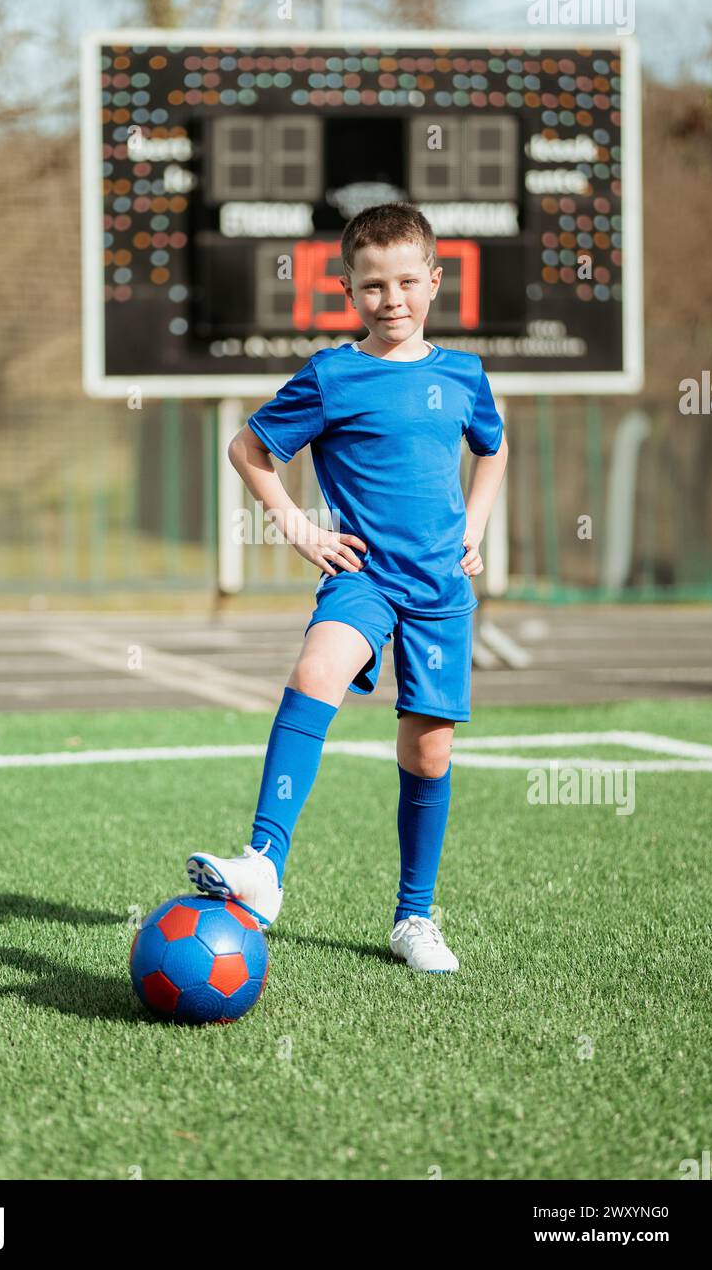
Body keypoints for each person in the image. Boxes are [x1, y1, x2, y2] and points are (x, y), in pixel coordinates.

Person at [186, 202, 508, 972]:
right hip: (363, 576)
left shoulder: (464, 375)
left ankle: (414, 918)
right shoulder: (333, 374)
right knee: (315, 670)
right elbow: (248, 448)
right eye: (372, 287)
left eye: (406, 282)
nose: (390, 300)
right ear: (348, 289)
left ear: (435, 282)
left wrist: (478, 525)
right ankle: (263, 865)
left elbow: (492, 449)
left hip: (439, 589)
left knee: (428, 753)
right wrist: (298, 527)